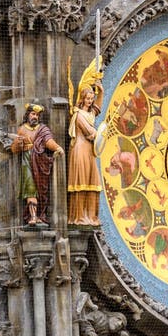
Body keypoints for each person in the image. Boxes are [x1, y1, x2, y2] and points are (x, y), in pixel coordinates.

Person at [10, 103, 64, 227]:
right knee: (30, 190)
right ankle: (33, 217)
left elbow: (48, 141)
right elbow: (14, 149)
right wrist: (18, 144)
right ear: (28, 115)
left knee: (42, 191)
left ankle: (40, 215)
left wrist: (58, 147)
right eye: (33, 114)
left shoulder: (43, 129)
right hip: (27, 163)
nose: (35, 117)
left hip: (40, 163)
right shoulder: (22, 129)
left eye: (38, 115)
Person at [68, 59, 103, 225]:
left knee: (93, 181)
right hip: (81, 149)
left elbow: (97, 109)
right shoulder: (79, 115)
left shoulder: (89, 113)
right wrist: (101, 133)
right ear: (82, 99)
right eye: (88, 98)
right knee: (81, 181)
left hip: (89, 151)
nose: (90, 101)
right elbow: (90, 133)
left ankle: (92, 216)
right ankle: (79, 216)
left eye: (92, 98)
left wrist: (100, 91)